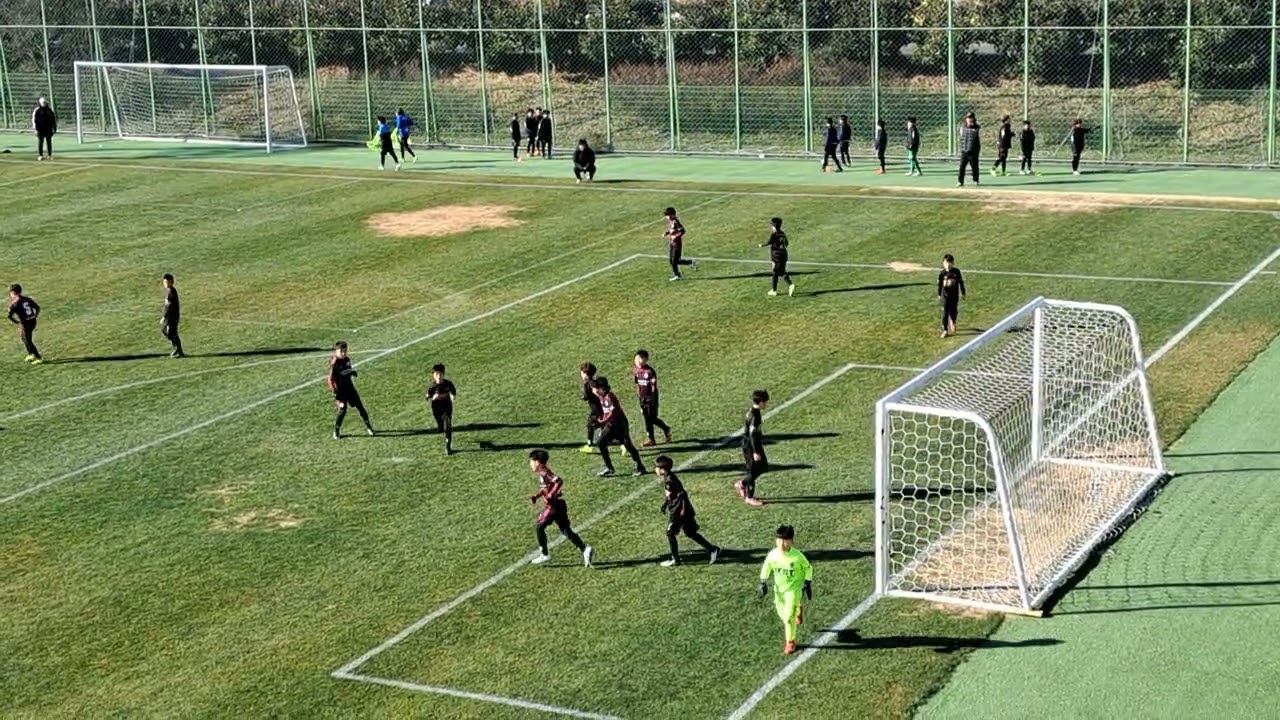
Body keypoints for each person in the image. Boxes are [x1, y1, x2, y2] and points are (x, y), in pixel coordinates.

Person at [528, 449, 594, 567]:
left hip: (553, 506)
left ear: (538, 462)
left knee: (539, 527)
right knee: (565, 530)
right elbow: (545, 488)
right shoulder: (543, 473)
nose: (530, 464)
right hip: (559, 505)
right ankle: (585, 549)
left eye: (532, 461)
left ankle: (544, 554)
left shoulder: (545, 473)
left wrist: (551, 494)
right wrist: (536, 496)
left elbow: (558, 481)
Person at [756, 524, 813, 655]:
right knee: (781, 613)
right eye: (779, 540)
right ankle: (798, 609)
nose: (781, 543)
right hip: (779, 590)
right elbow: (767, 567)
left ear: (791, 541)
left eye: (785, 540)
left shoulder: (797, 556)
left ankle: (790, 642)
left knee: (788, 618)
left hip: (793, 590)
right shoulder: (773, 555)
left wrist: (807, 582)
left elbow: (808, 568)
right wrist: (762, 582)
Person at [656, 455, 720, 567]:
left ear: (662, 469)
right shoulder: (669, 478)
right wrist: (665, 505)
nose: (655, 469)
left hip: (679, 511)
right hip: (683, 510)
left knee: (670, 533)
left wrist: (680, 512)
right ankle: (713, 549)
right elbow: (672, 496)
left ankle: (675, 559)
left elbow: (681, 495)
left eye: (656, 467)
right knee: (691, 533)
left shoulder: (669, 481)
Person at [592, 376, 646, 478]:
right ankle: (609, 468)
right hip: (610, 424)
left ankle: (640, 467)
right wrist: (602, 423)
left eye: (594, 388)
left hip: (620, 424)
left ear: (600, 388)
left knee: (628, 445)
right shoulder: (601, 397)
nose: (593, 390)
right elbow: (606, 412)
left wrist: (601, 422)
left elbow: (613, 413)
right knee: (601, 443)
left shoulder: (609, 397)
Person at [328, 341, 374, 439]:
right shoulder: (334, 363)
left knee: (361, 407)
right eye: (341, 351)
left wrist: (352, 372)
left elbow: (347, 371)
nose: (344, 353)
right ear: (336, 351)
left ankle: (369, 427)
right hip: (341, 392)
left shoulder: (347, 360)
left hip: (350, 389)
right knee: (342, 411)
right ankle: (336, 430)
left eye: (345, 351)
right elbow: (330, 379)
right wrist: (334, 391)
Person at [632, 349, 672, 447]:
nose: (638, 361)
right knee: (646, 419)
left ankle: (665, 428)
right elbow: (637, 384)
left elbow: (653, 387)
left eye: (641, 359)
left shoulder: (650, 371)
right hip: (642, 398)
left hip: (651, 398)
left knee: (651, 418)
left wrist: (652, 400)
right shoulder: (636, 370)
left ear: (646, 360)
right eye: (637, 359)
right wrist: (639, 396)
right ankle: (651, 439)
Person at [736, 390, 769, 506]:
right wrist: (755, 451)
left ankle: (742, 483)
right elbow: (752, 435)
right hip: (751, 445)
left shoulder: (751, 411)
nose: (766, 404)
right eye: (765, 402)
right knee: (754, 470)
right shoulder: (755, 416)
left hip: (751, 444)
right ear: (760, 402)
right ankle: (748, 496)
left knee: (763, 466)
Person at [426, 363, 457, 455]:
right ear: (433, 375)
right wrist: (431, 397)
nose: (438, 376)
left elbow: (453, 392)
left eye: (440, 374)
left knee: (447, 426)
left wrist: (452, 396)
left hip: (447, 407)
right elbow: (427, 396)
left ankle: (448, 447)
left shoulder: (448, 384)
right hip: (436, 408)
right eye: (436, 374)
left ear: (443, 374)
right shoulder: (432, 387)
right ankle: (440, 426)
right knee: (441, 426)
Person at [759, 217, 794, 297]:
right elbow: (787, 243)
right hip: (784, 255)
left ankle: (774, 290)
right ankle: (790, 285)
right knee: (781, 271)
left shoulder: (774, 234)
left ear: (774, 226)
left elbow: (769, 242)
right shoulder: (782, 233)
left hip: (776, 256)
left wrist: (761, 245)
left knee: (775, 272)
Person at [7, 283, 42, 364]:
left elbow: (10, 316)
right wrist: (35, 316)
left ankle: (38, 357)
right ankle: (31, 354)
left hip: (25, 324)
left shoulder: (14, 304)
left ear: (13, 293)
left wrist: (17, 322)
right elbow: (37, 308)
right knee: (24, 338)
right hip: (33, 321)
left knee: (27, 340)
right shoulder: (27, 299)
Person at [663, 206, 696, 281]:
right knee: (672, 261)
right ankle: (691, 262)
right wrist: (667, 233)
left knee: (675, 261)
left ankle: (677, 275)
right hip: (672, 243)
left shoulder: (676, 221)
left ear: (672, 215)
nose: (666, 217)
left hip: (677, 244)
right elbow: (672, 230)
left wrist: (675, 236)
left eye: (667, 215)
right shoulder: (671, 222)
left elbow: (683, 231)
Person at [937, 254, 966, 338]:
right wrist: (939, 294)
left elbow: (961, 282)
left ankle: (953, 321)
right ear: (943, 263)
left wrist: (963, 292)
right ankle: (945, 330)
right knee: (945, 313)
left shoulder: (956, 272)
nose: (948, 265)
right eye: (946, 263)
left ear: (953, 263)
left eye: (950, 263)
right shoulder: (942, 273)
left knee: (953, 311)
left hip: (954, 296)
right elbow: (939, 285)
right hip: (945, 296)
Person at [578, 362, 602, 453]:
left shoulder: (588, 384)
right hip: (601, 407)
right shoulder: (597, 381)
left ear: (585, 374)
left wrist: (582, 395)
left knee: (590, 425)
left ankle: (589, 445)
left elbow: (585, 397)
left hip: (595, 409)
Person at [161, 273, 184, 358]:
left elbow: (168, 307)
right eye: (165, 282)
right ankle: (177, 349)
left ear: (171, 282)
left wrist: (164, 316)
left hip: (172, 317)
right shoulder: (169, 291)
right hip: (171, 316)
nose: (166, 284)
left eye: (167, 282)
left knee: (171, 332)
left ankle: (178, 350)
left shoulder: (171, 292)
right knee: (167, 331)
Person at [957, 112, 980, 186]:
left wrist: (976, 150)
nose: (969, 119)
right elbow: (961, 138)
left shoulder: (977, 128)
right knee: (962, 167)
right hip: (964, 150)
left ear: (973, 118)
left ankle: (975, 180)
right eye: (968, 118)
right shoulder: (962, 128)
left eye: (971, 118)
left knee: (974, 166)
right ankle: (960, 181)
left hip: (973, 151)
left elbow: (978, 139)